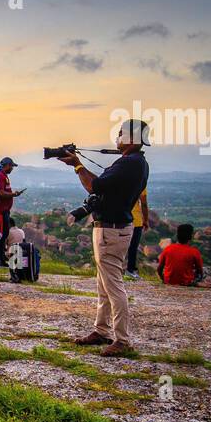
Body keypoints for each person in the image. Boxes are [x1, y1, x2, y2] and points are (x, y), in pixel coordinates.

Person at [55, 118, 151, 356]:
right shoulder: (137, 162)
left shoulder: (130, 163)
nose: (117, 137)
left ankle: (122, 340)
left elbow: (94, 186)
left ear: (131, 138)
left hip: (112, 230)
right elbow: (104, 187)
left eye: (120, 133)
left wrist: (77, 165)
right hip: (113, 227)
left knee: (113, 286)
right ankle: (102, 330)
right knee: (104, 284)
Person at [0, 157, 26, 267]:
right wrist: (13, 194)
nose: (12, 168)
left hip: (5, 210)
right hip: (0, 211)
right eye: (11, 166)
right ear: (6, 165)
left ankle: (0, 259)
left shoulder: (4, 176)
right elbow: (0, 193)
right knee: (0, 235)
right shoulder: (0, 176)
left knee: (4, 234)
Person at [125, 188, 149, 280]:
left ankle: (115, 270)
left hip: (120, 219)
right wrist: (146, 220)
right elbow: (144, 203)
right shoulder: (141, 182)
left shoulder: (118, 180)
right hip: (135, 220)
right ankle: (130, 270)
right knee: (133, 247)